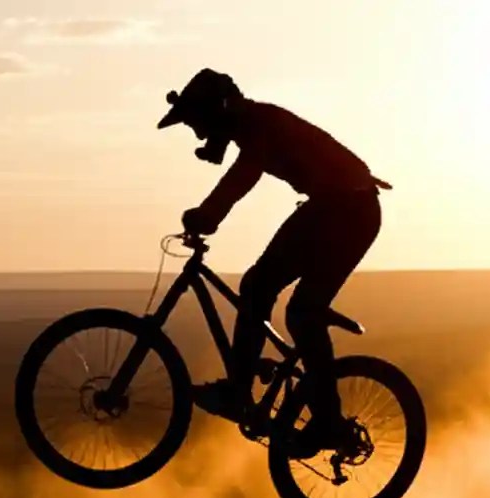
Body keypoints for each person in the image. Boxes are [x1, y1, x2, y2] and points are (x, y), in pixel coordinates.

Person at [157, 68, 390, 458]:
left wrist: (208, 215)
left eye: (196, 120)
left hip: (348, 210)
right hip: (337, 206)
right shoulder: (246, 121)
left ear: (216, 108)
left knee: (297, 310)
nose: (197, 131)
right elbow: (232, 160)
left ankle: (321, 419)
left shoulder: (256, 123)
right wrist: (208, 212)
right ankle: (245, 389)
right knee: (262, 289)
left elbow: (244, 174)